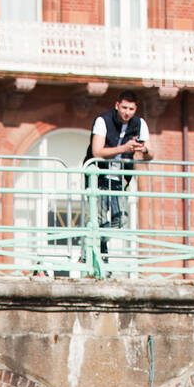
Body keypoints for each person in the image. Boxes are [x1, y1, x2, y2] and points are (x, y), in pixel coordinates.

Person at [85, 90, 152, 267]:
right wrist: (123, 148)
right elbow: (97, 151)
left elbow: (150, 153)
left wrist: (143, 150)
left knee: (121, 219)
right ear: (117, 105)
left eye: (131, 108)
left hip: (120, 179)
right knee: (97, 219)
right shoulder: (103, 120)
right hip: (97, 176)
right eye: (124, 107)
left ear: (135, 109)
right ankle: (100, 264)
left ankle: (90, 244)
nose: (127, 112)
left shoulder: (139, 124)